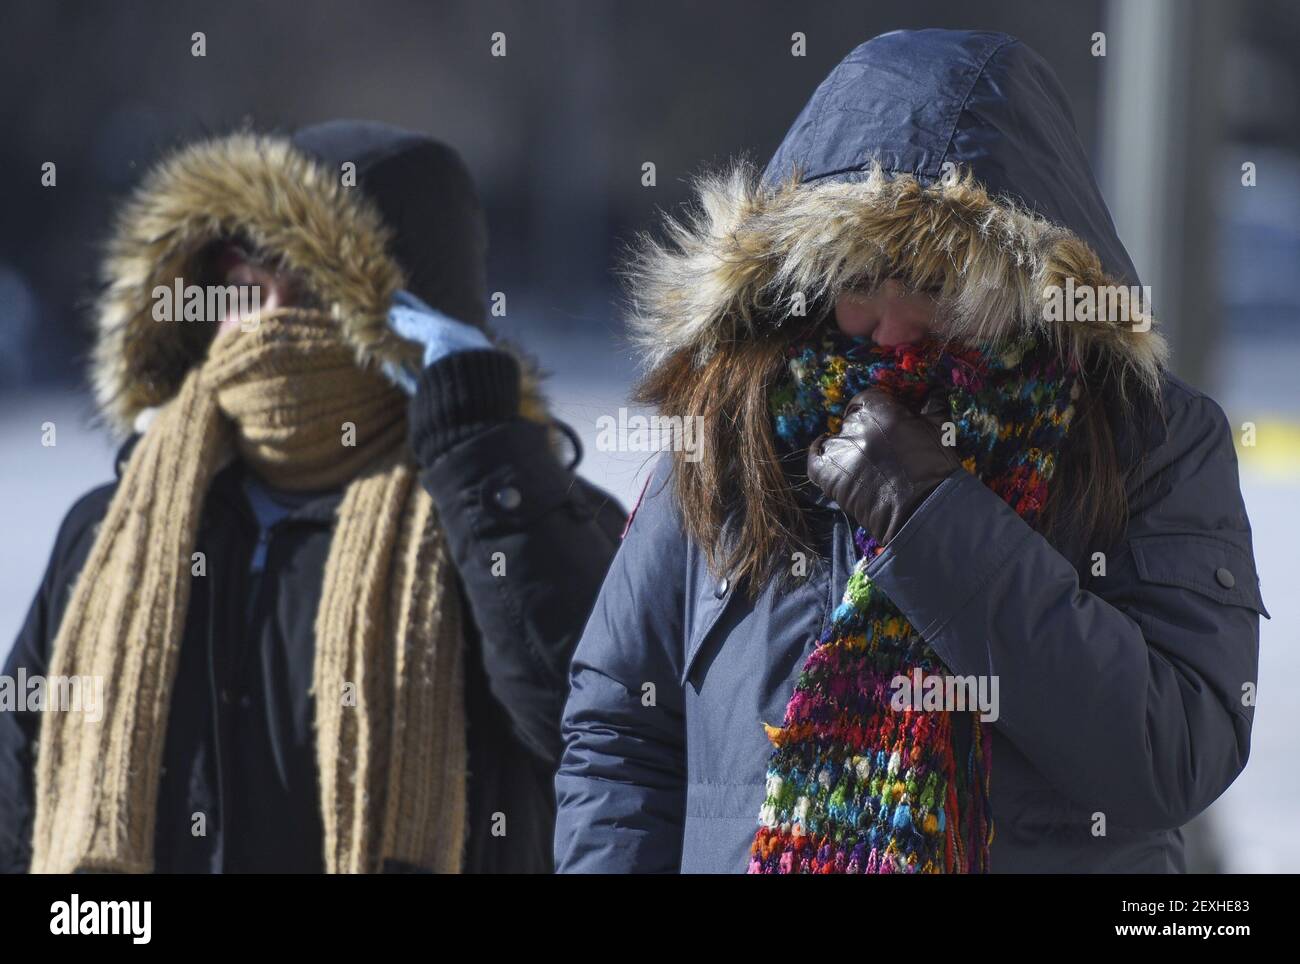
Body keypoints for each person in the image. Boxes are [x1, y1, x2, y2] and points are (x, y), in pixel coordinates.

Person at [554, 29, 1266, 874]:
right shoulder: (734, 418)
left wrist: (935, 523)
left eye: (932, 289)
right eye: (857, 285)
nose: (890, 331)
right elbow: (620, 732)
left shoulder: (1149, 440)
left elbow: (1175, 753)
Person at [0, 120, 625, 873]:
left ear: (391, 304)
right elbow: (14, 808)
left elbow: (610, 747)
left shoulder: (515, 519)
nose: (244, 286)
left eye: (288, 259)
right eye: (228, 263)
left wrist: (483, 450)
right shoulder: (108, 534)